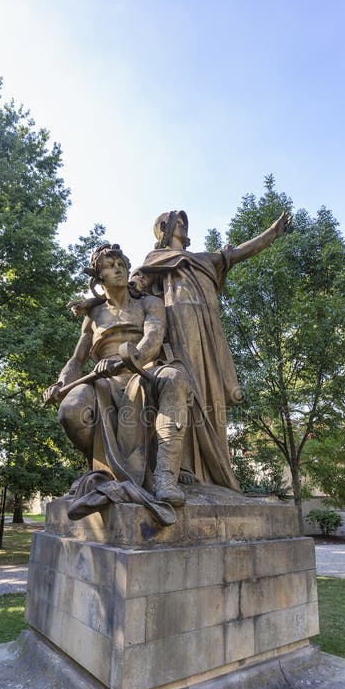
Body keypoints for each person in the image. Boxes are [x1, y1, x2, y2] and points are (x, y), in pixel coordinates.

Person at [132, 209, 290, 489]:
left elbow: (239, 253)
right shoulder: (155, 260)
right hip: (177, 324)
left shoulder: (202, 259)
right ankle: (182, 464)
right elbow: (132, 287)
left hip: (208, 329)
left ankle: (212, 467)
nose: (182, 226)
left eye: (184, 222)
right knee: (184, 386)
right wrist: (94, 302)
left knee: (209, 390)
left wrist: (272, 233)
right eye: (177, 222)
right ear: (163, 229)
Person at [44, 244, 190, 522]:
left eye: (121, 264)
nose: (118, 269)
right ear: (99, 277)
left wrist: (127, 360)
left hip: (143, 370)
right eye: (110, 266)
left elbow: (153, 338)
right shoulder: (94, 315)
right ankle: (98, 468)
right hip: (103, 379)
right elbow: (77, 360)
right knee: (70, 410)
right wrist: (60, 384)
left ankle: (165, 477)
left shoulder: (149, 303)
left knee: (174, 377)